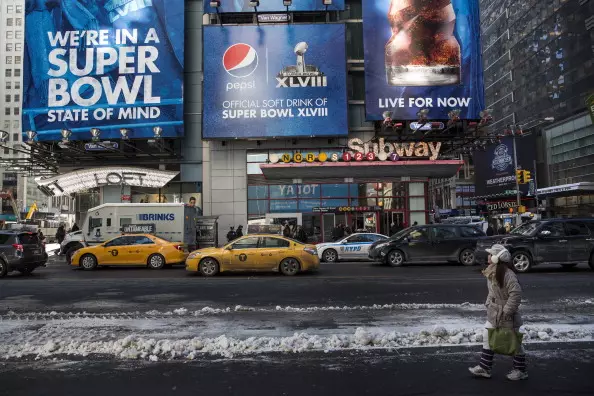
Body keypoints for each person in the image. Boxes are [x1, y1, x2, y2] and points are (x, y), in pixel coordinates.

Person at [469, 244, 527, 381]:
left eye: (490, 254)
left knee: (514, 341)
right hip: (494, 312)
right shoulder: (492, 271)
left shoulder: (508, 275)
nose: (488, 256)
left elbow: (516, 295)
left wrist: (507, 311)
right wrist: (488, 303)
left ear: (496, 258)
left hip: (507, 314)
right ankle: (484, 368)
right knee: (487, 335)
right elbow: (492, 292)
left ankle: (521, 370)